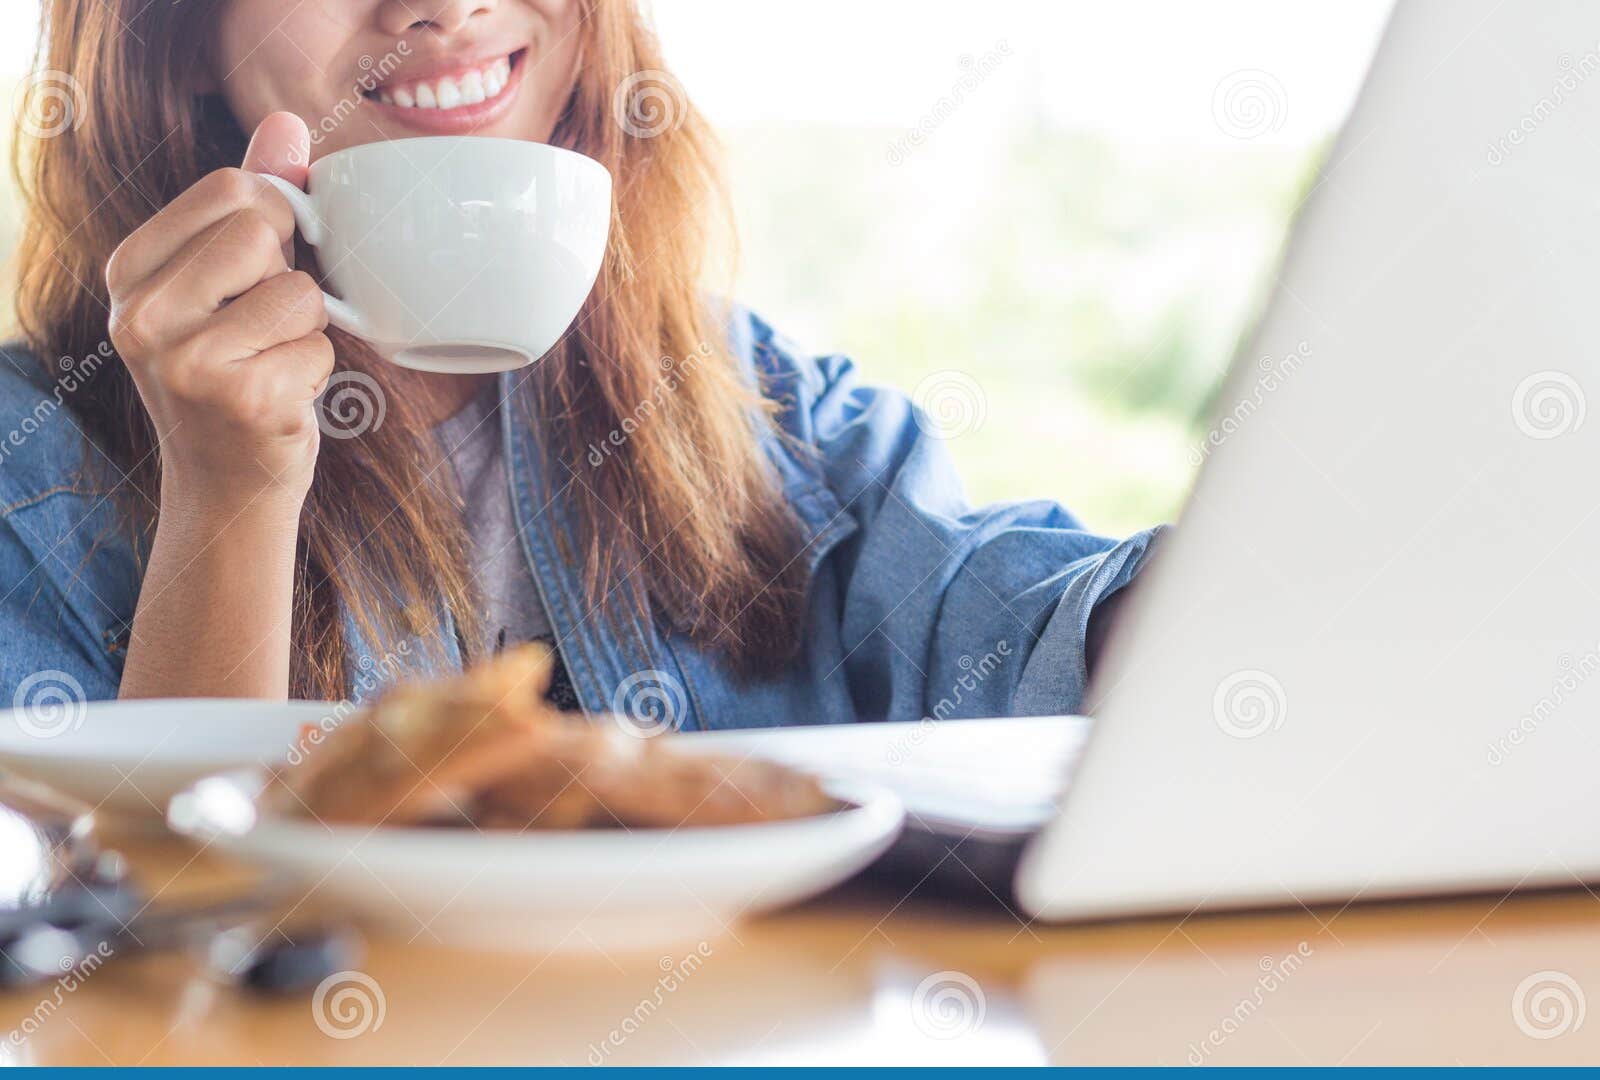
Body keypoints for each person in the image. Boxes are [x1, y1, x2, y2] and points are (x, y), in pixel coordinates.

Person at [0, 0, 1160, 731]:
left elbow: (1027, 627)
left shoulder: (768, 409)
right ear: (180, 35)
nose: (445, 10)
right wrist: (228, 499)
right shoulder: (29, 469)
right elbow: (136, 956)